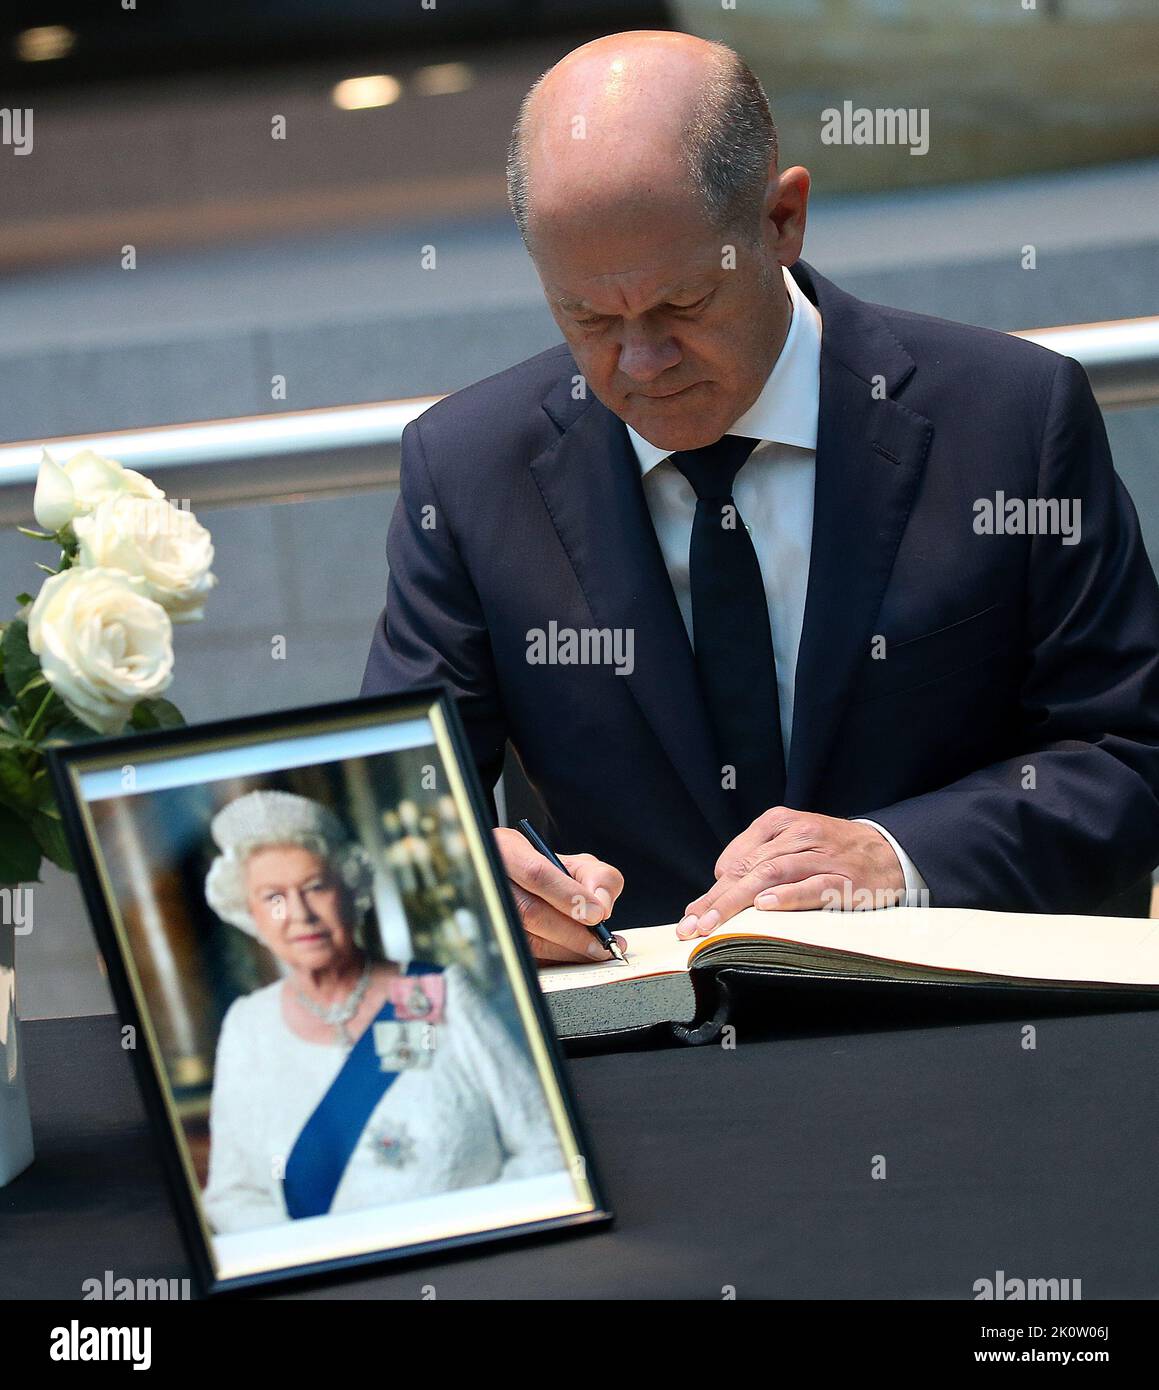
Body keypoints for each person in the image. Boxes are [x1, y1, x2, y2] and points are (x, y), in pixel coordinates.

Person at [360, 31, 1159, 957]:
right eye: (587, 317)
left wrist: (895, 856)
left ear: (782, 219)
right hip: (645, 1063)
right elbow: (390, 810)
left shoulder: (1012, 416)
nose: (640, 361)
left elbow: (1129, 760)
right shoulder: (465, 470)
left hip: (957, 1041)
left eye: (683, 305)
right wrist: (466, 880)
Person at [200, 790, 565, 1234]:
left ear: (351, 890)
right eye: (273, 897)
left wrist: (467, 1236)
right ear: (249, 914)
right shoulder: (247, 1026)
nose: (299, 914)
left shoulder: (437, 993)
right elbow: (234, 1196)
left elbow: (546, 1144)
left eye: (315, 886)